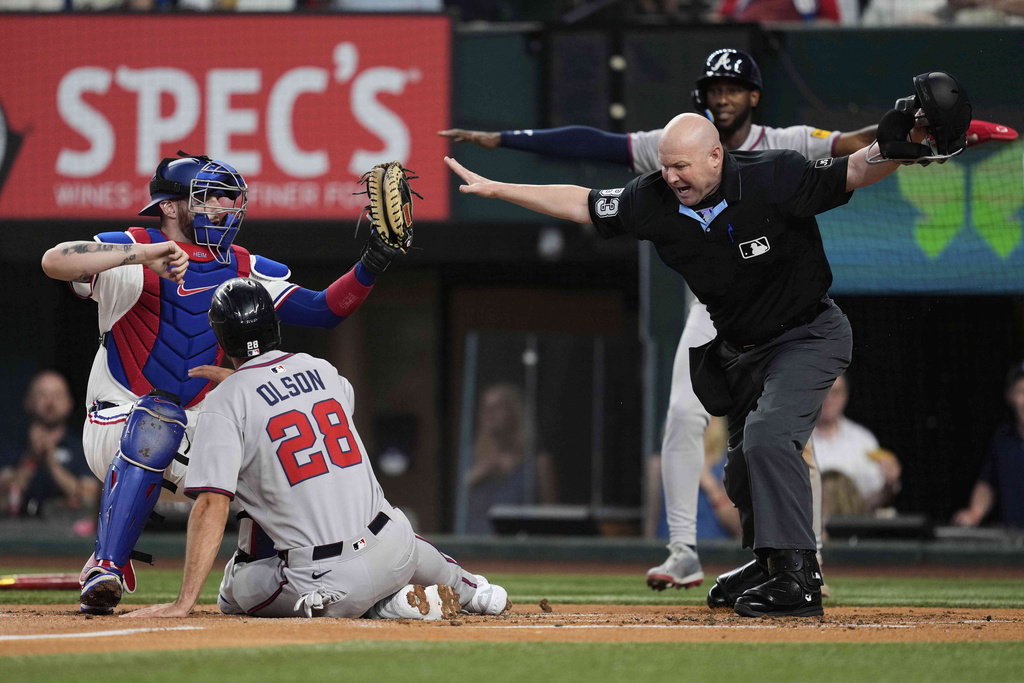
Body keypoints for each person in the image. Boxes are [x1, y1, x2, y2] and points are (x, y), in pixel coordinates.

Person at [445, 72, 969, 615]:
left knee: (769, 437)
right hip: (742, 349)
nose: (670, 176)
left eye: (681, 166)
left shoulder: (775, 176)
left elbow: (855, 169)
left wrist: (900, 147)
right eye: (665, 166)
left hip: (809, 333)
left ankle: (800, 576)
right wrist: (499, 188)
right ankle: (770, 561)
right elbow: (582, 202)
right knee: (741, 467)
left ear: (716, 158)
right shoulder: (652, 199)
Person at [40, 151, 407, 615]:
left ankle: (276, 571)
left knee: (276, 441)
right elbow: (54, 261)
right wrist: (145, 253)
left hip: (196, 429)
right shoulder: (131, 248)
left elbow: (324, 310)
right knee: (158, 415)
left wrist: (371, 263)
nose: (224, 208)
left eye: (228, 199)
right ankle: (106, 565)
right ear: (171, 206)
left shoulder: (240, 266)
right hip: (117, 420)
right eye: (209, 198)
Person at [124, 278, 511, 619]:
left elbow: (211, 505)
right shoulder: (323, 369)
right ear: (274, 325)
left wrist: (183, 603)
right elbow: (294, 405)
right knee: (395, 531)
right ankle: (477, 592)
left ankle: (386, 607)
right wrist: (247, 384)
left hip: (330, 579)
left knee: (232, 589)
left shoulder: (225, 402)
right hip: (397, 549)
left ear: (221, 337)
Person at [0, 370, 99, 521]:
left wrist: (52, 463)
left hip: (67, 536)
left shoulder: (84, 448)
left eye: (58, 395)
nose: (50, 403)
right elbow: (4, 499)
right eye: (42, 395)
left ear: (70, 403)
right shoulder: (13, 447)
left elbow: (89, 499)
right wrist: (31, 460)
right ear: (28, 401)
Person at [466, 383, 558, 534]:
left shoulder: (538, 464)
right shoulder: (471, 459)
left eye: (497, 407)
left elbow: (552, 520)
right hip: (474, 550)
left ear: (514, 413)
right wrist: (475, 477)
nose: (489, 413)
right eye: (485, 408)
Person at [811, 373, 902, 512]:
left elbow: (876, 499)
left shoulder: (863, 441)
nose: (828, 398)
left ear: (845, 396)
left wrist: (889, 485)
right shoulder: (795, 441)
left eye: (835, 392)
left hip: (854, 526)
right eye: (823, 390)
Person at [952, 361, 1024, 529]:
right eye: (1021, 391)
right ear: (1010, 396)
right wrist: (974, 513)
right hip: (1015, 542)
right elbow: (988, 482)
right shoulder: (1003, 437)